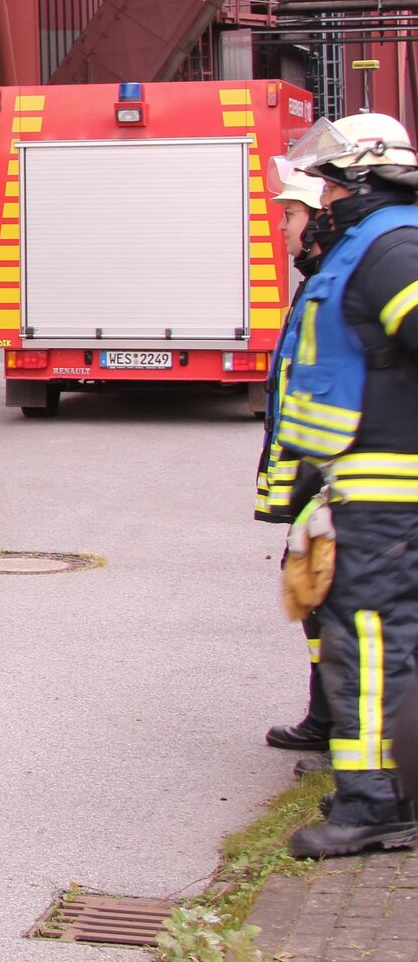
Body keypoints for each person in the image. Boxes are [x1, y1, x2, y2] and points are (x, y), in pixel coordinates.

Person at [271, 115, 418, 859]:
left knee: (369, 645)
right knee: (372, 641)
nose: (320, 198)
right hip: (367, 488)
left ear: (361, 179)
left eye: (328, 183)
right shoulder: (377, 244)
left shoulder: (394, 249)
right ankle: (380, 793)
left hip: (393, 494)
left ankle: (374, 804)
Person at [258, 164, 331, 761]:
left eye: (290, 214)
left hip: (336, 480)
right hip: (320, 479)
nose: (281, 225)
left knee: (323, 592)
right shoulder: (316, 282)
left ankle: (333, 720)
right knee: (313, 592)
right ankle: (326, 713)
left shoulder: (332, 281)